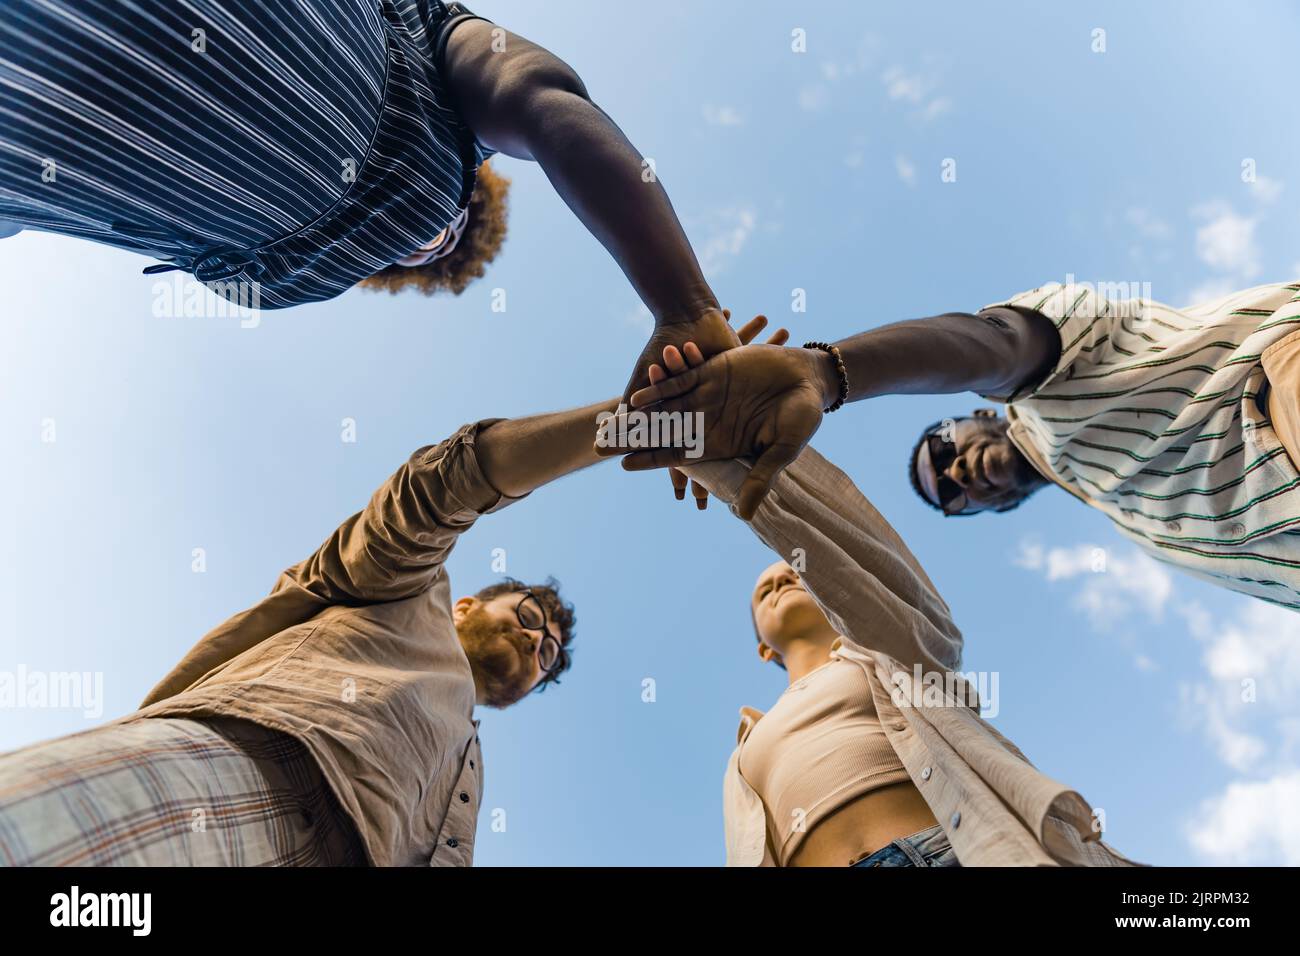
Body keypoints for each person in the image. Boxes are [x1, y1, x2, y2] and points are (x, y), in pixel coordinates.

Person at [0, 314, 780, 867]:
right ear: (470, 604)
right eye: (530, 618)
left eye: (547, 654)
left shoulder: (470, 775)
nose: (537, 644)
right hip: (239, 776)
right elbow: (439, 490)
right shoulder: (412, 591)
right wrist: (634, 425)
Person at [0, 0, 734, 396]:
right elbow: (538, 95)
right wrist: (685, 304)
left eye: (437, 251)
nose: (438, 237)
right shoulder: (431, 55)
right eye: (457, 221)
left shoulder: (287, 283)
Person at [631, 341, 1137, 866]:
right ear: (763, 648)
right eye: (765, 590)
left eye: (792, 575)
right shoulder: (747, 744)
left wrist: (718, 444)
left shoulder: (886, 649)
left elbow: (839, 547)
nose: (782, 583)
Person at [615, 279, 1300, 609]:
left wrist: (826, 373)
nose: (957, 474)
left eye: (943, 449)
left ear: (977, 414)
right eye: (950, 496)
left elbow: (993, 345)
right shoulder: (1131, 520)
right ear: (988, 512)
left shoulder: (1055, 383)